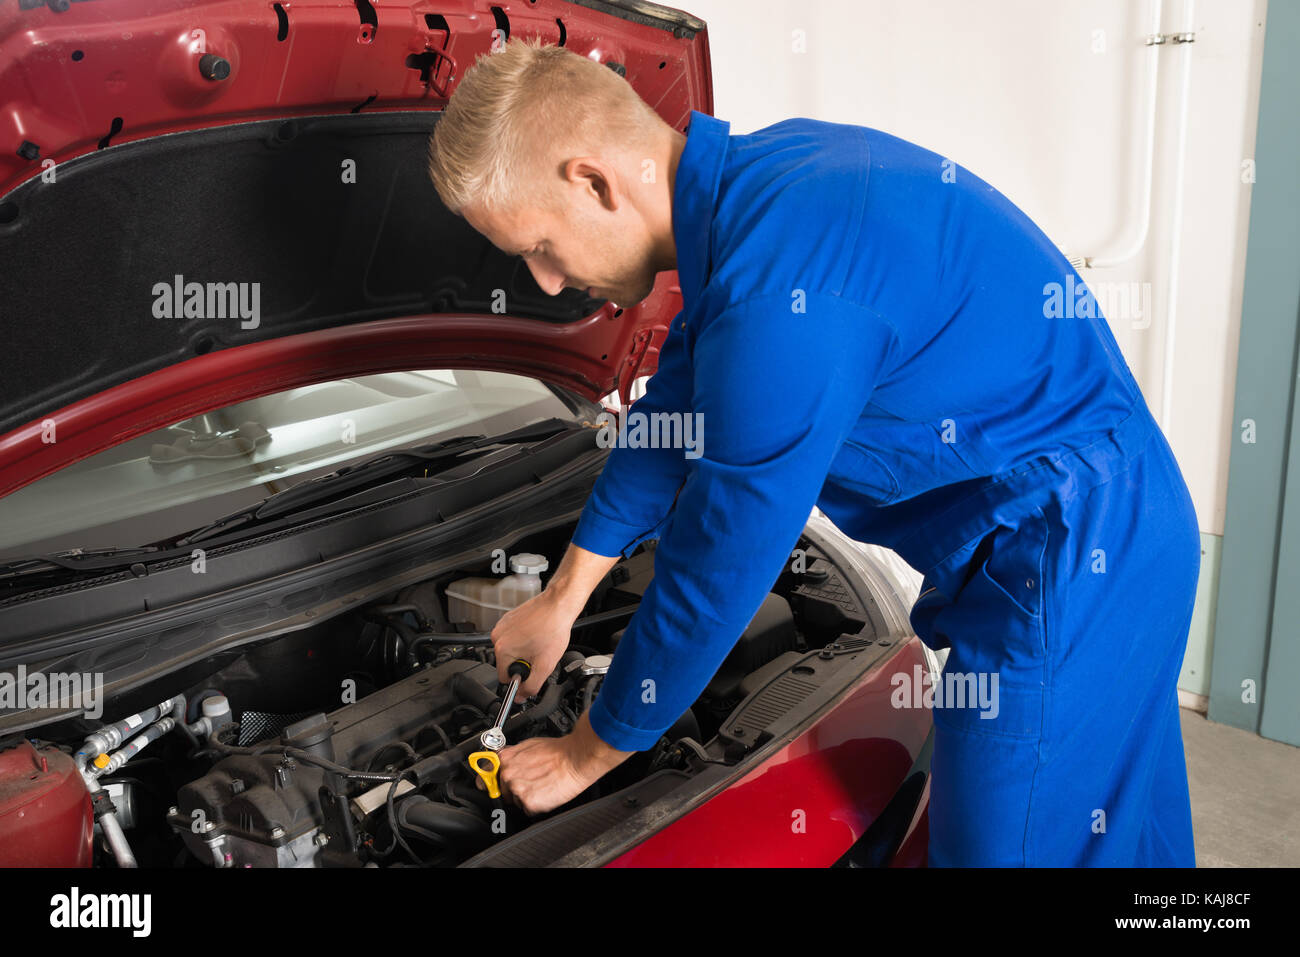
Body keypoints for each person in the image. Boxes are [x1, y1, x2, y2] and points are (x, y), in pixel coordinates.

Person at [425, 36, 1200, 866]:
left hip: (1070, 557)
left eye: (537, 247)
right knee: (1121, 838)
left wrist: (586, 754)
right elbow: (670, 419)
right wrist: (564, 597)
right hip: (1112, 527)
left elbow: (718, 564)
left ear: (592, 181)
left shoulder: (777, 299)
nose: (544, 282)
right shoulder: (763, 193)